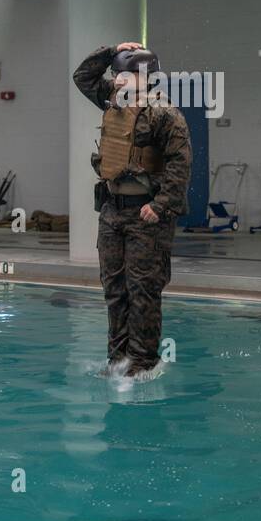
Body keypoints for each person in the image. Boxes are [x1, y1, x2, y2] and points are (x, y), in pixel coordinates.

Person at [73, 43, 192, 377]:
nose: (118, 80)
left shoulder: (164, 113)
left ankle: (142, 362)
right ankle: (118, 360)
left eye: (125, 74)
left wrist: (161, 205)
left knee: (143, 289)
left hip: (146, 215)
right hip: (112, 211)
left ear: (145, 77)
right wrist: (111, 50)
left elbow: (180, 164)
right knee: (114, 288)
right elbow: (82, 76)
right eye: (116, 74)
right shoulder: (112, 101)